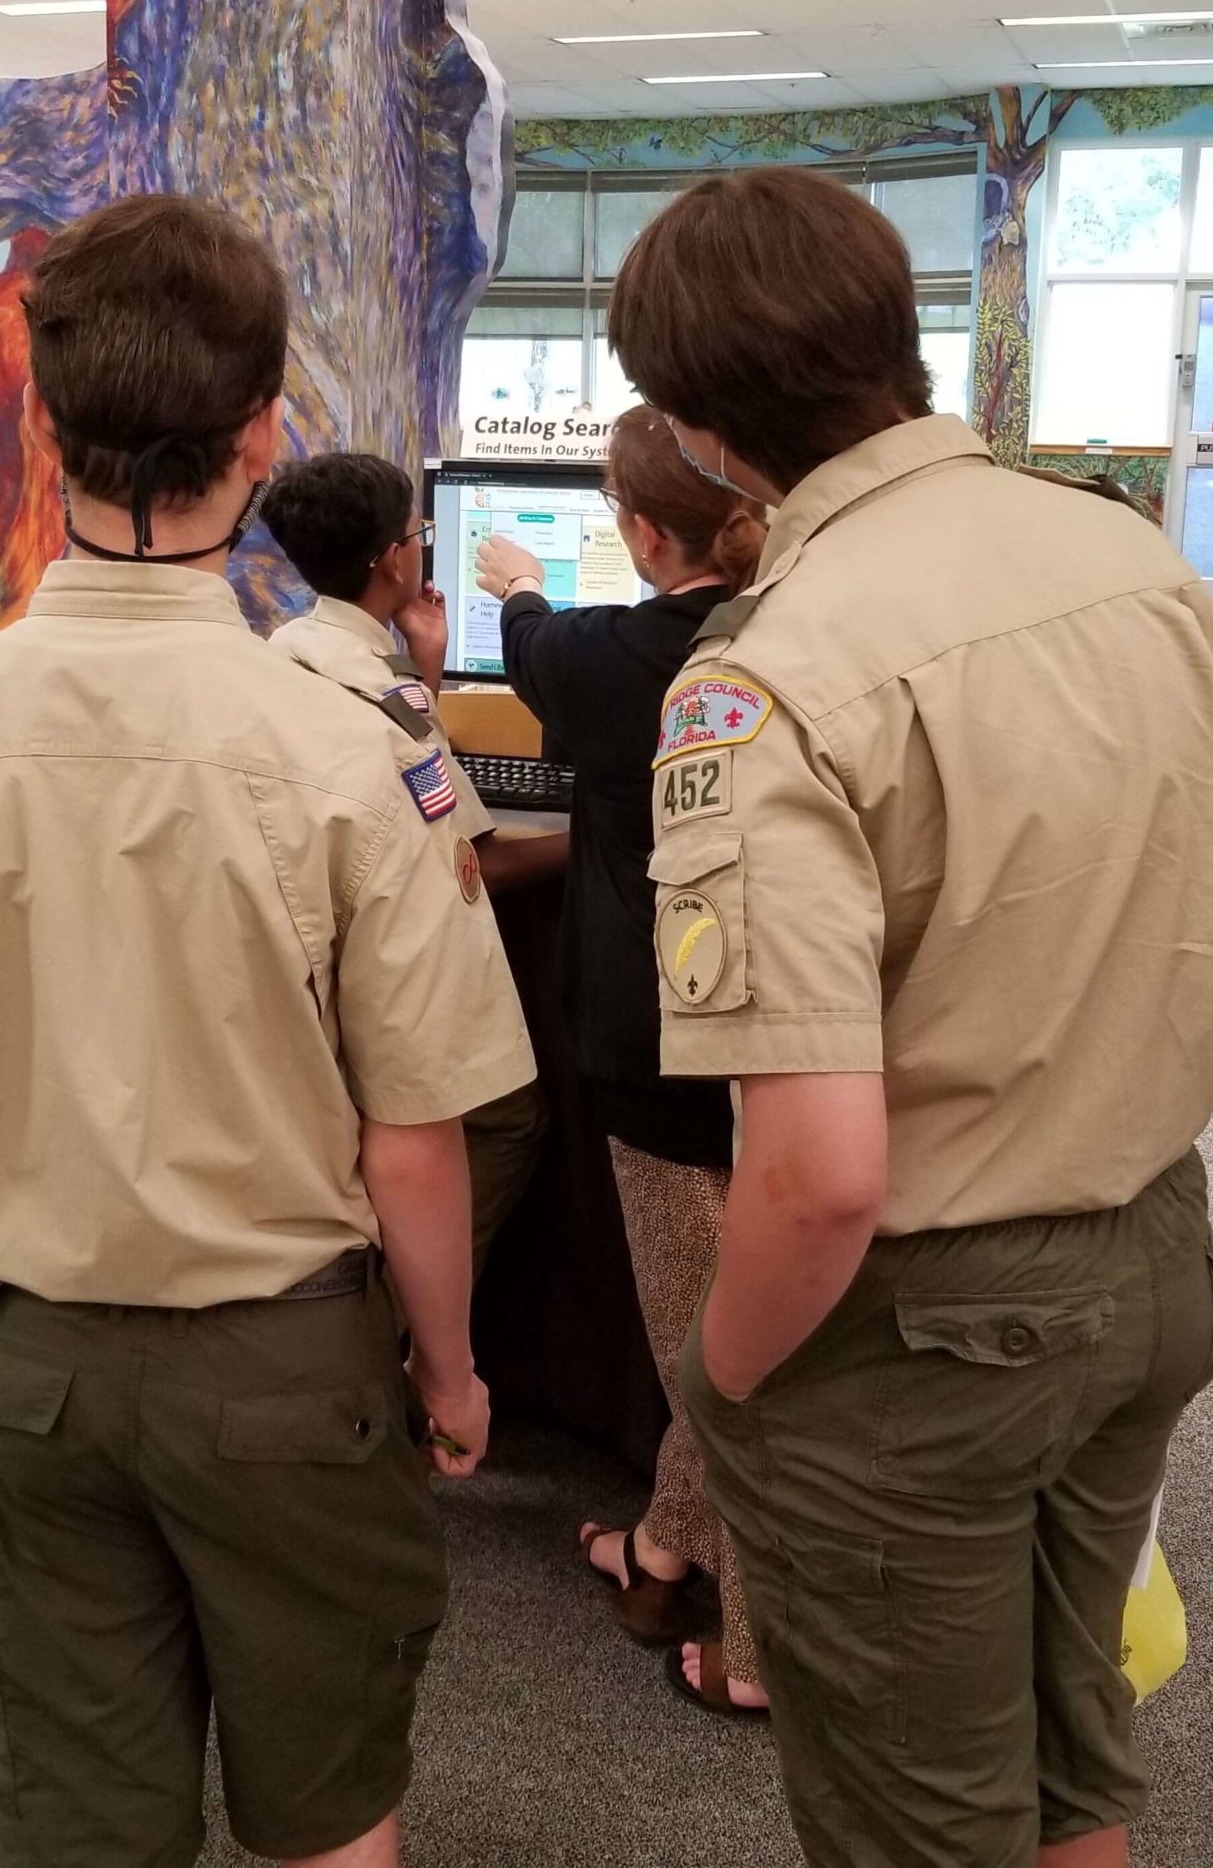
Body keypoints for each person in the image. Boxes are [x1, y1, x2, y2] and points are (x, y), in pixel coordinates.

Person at [0, 193, 536, 1868]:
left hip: (26, 1354)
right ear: (263, 431)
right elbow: (412, 1135)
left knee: (81, 1816)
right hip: (287, 1366)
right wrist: (449, 1368)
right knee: (322, 1810)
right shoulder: (353, 748)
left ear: (44, 426)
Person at [608, 166, 1213, 1868]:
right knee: (1067, 1762)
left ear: (694, 430)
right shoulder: (1130, 563)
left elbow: (816, 1171)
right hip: (1145, 1252)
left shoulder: (767, 677)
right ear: (895, 334)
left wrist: (727, 1379)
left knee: (918, 1820)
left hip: (917, 1330)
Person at [471, 404, 768, 1716]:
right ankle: (663, 1540)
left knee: (712, 1346)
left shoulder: (615, 650)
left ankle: (757, 1647)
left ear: (645, 533)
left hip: (662, 1040)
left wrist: (516, 582)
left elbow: (536, 647)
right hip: (784, 1024)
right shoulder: (784, 634)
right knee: (730, 1324)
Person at [261, 450, 559, 1272]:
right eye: (420, 532)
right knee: (511, 1119)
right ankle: (402, 1304)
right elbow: (480, 863)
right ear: (395, 558)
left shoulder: (288, 648)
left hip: (302, 969)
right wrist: (597, 836)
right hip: (385, 982)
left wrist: (421, 662)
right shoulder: (384, 705)